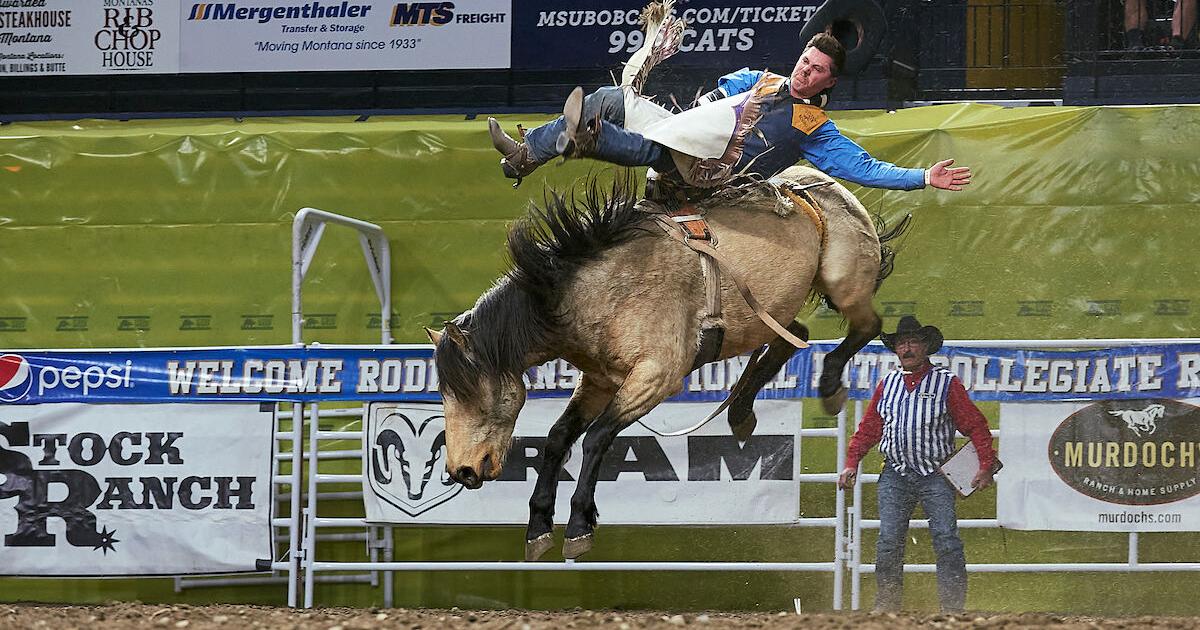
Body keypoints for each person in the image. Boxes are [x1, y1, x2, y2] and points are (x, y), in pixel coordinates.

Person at [487, 32, 971, 195]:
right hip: (689, 135)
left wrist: (923, 177)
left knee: (656, 144)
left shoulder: (814, 128)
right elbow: (715, 98)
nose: (805, 71)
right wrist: (697, 113)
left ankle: (591, 139)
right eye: (805, 60)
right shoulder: (757, 81)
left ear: (829, 82)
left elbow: (863, 168)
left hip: (715, 176)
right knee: (609, 99)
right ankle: (525, 156)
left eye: (817, 69)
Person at [836, 316, 997, 613]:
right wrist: (851, 462)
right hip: (895, 472)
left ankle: (952, 609)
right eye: (902, 343)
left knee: (946, 539)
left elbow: (975, 425)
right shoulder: (888, 384)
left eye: (913, 342)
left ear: (925, 347)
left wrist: (985, 464)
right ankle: (887, 604)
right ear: (896, 349)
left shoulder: (947, 383)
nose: (907, 348)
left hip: (935, 474)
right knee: (888, 540)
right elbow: (870, 427)